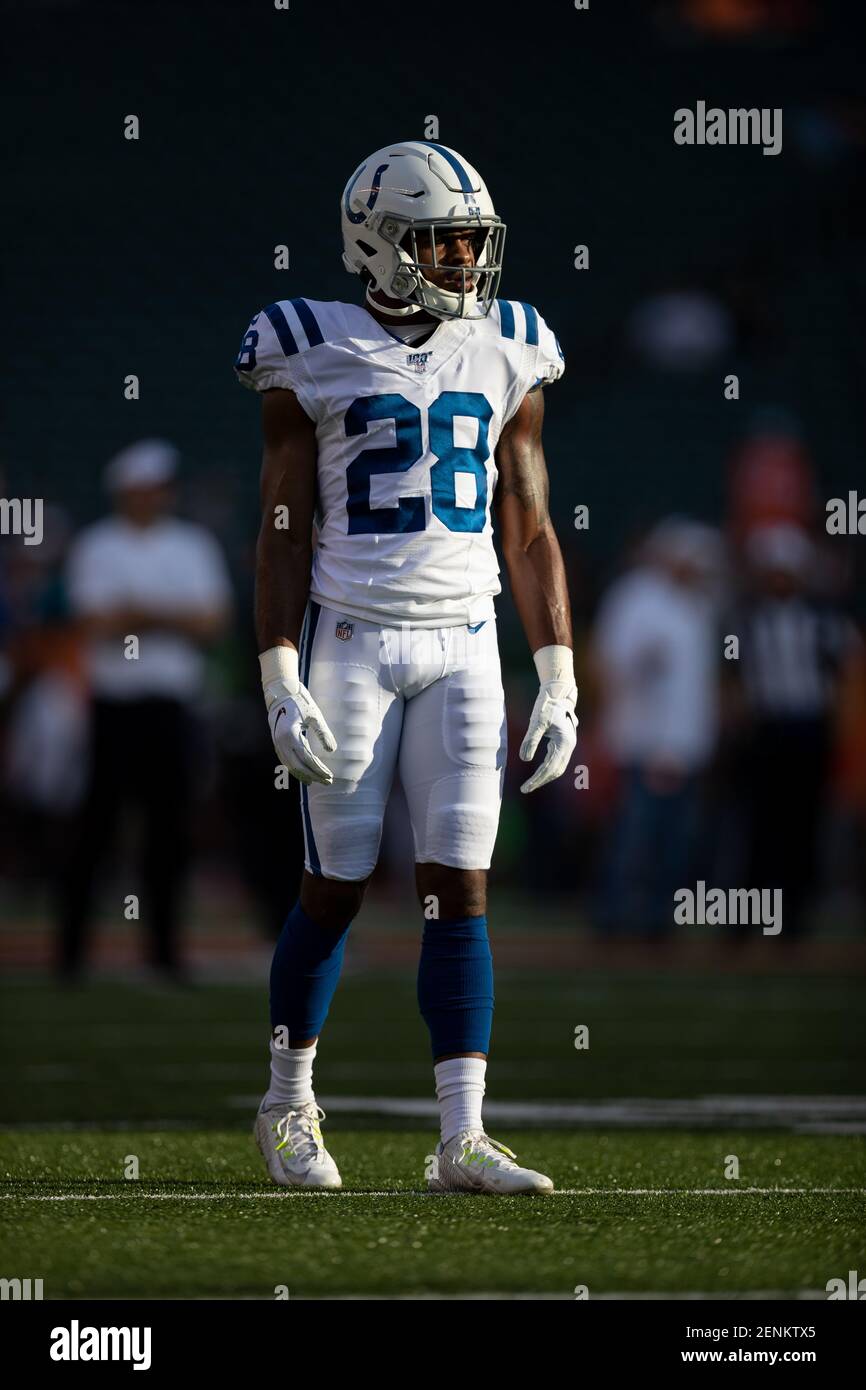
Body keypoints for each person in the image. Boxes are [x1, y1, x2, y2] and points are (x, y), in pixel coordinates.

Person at [235, 140, 577, 1194]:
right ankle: (287, 1103)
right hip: (349, 636)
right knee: (333, 887)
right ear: (376, 244)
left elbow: (525, 523)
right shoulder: (308, 343)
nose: (464, 260)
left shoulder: (508, 344)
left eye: (470, 240)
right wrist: (277, 669)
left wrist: (558, 666)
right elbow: (284, 522)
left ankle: (461, 1137)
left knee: (460, 888)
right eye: (440, 239)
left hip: (465, 642)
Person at [59, 440, 232, 979]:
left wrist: (139, 614)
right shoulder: (97, 546)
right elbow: (93, 623)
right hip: (114, 706)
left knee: (170, 832)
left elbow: (213, 623)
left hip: (170, 707)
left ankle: (165, 953)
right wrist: (169, 619)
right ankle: (72, 955)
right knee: (96, 829)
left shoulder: (191, 545)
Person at [593, 519, 723, 938]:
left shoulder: (700, 605)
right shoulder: (636, 596)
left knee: (675, 843)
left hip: (687, 745)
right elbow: (609, 664)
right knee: (635, 838)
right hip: (642, 742)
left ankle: (656, 923)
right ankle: (615, 919)